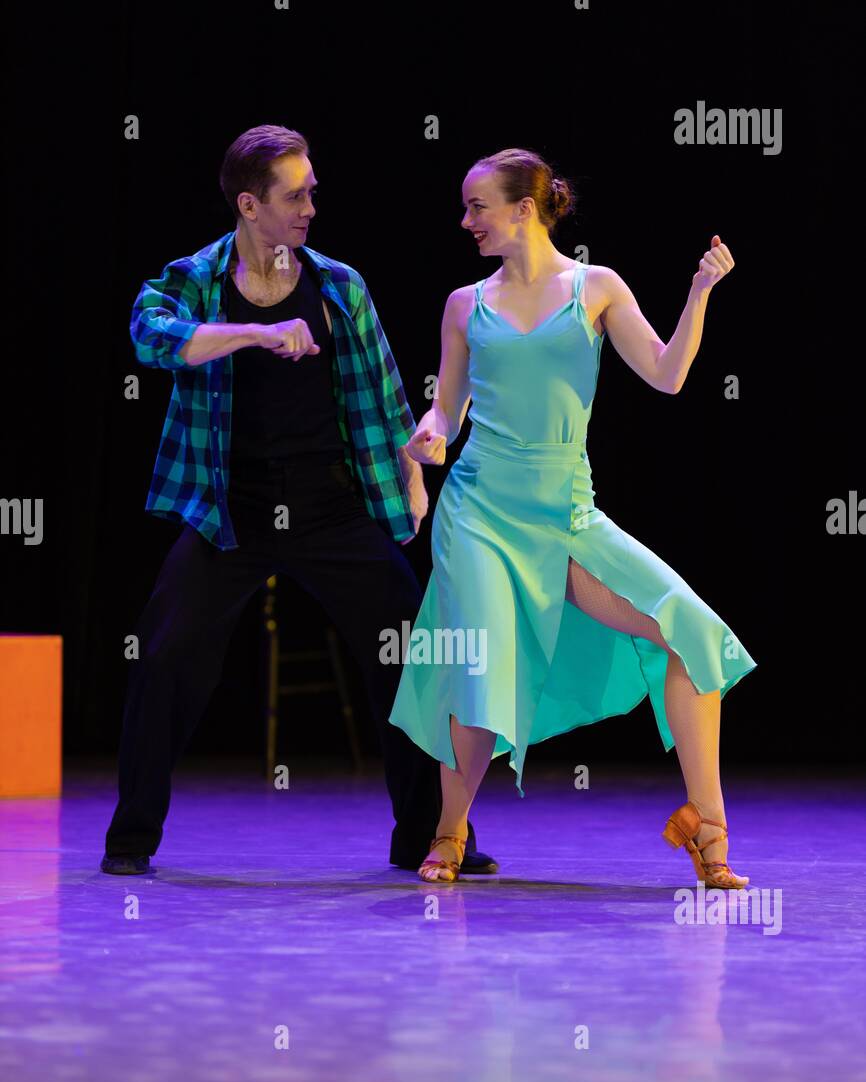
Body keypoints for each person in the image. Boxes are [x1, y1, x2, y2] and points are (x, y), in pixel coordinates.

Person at [101, 124, 497, 876]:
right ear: (250, 205)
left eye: (312, 189)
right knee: (163, 656)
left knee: (413, 651)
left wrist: (410, 482)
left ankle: (429, 835)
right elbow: (152, 338)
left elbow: (383, 396)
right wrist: (254, 333)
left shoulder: (338, 285)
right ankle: (131, 840)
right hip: (230, 512)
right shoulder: (198, 277)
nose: (311, 205)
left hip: (330, 506)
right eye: (296, 194)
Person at [388, 147, 756, 885]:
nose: (466, 221)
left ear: (523, 209)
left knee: (692, 633)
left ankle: (707, 832)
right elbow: (447, 406)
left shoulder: (596, 287)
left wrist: (699, 294)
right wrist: (429, 434)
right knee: (481, 667)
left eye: (477, 207)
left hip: (567, 511)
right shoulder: (467, 303)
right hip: (481, 511)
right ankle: (448, 833)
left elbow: (666, 374)